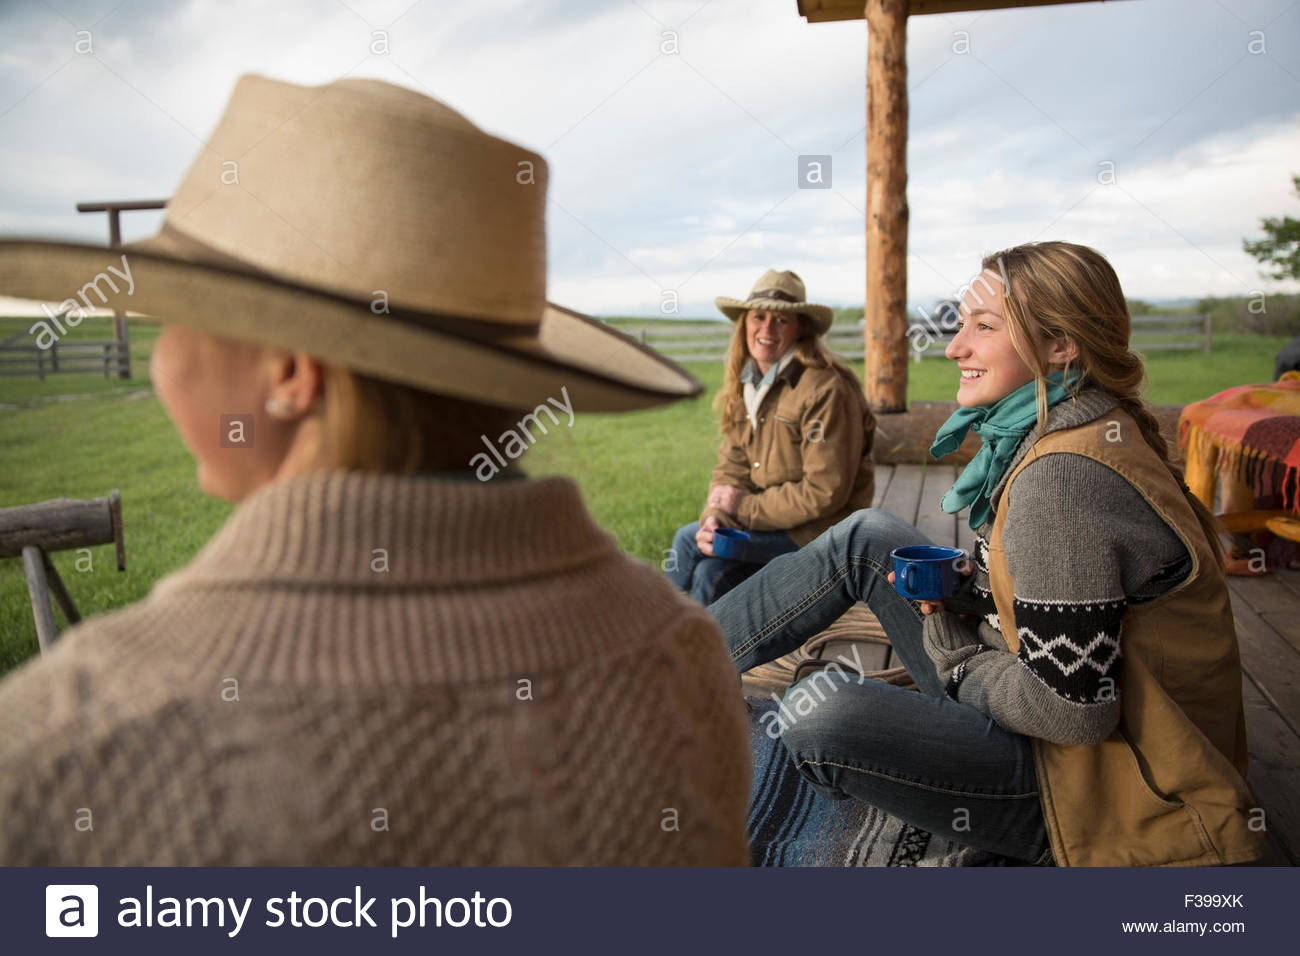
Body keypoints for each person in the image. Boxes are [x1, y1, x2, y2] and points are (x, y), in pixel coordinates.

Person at [0, 75, 750, 865]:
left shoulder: (72, 745)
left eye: (174, 318)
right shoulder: (678, 654)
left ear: (292, 370)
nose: (161, 362)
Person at [708, 241, 1264, 867]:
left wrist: (959, 661)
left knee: (818, 718)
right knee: (868, 537)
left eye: (984, 326)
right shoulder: (1081, 421)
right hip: (1057, 724)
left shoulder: (1063, 477)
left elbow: (1072, 714)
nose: (953, 347)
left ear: (1061, 345)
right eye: (961, 324)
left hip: (1100, 791)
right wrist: (974, 596)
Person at [666, 270, 875, 604]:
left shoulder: (825, 389)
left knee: (687, 540)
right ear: (744, 324)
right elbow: (731, 466)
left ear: (801, 328)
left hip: (818, 534)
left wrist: (742, 508)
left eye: (781, 320)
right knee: (708, 570)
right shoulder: (749, 383)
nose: (766, 329)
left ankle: (653, 636)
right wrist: (716, 515)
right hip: (771, 523)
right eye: (758, 317)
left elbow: (825, 492)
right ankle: (686, 644)